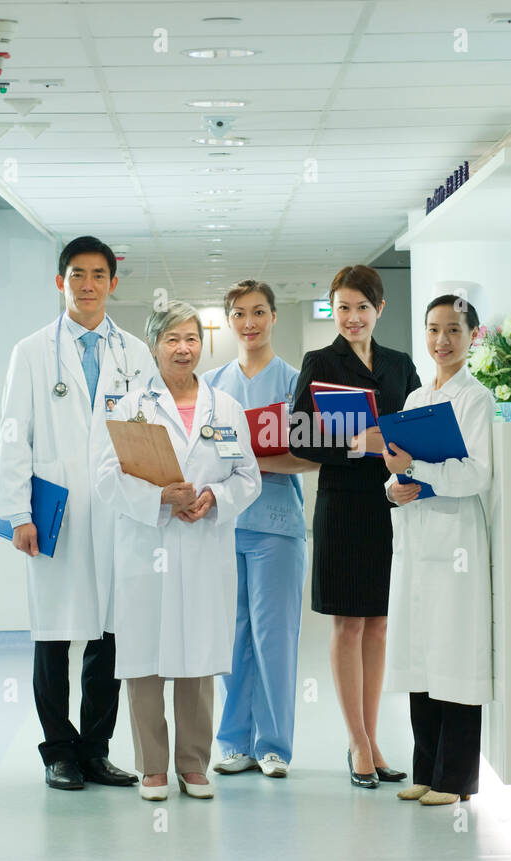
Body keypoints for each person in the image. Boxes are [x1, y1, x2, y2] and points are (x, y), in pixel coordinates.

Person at [0, 235, 154, 791]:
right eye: (77, 275)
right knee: (55, 635)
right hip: (55, 513)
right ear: (61, 282)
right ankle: (58, 751)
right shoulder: (33, 351)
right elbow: (14, 436)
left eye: (98, 275)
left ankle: (95, 749)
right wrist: (17, 513)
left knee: (110, 635)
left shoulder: (135, 354)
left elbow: (151, 435)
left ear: (112, 283)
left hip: (118, 514)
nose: (88, 285)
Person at [94, 301, 261, 800]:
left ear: (202, 345)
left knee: (198, 656)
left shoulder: (224, 408)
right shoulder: (131, 407)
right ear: (153, 347)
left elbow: (247, 477)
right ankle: (151, 768)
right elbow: (106, 479)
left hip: (204, 544)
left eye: (191, 339)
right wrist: (158, 499)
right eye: (172, 339)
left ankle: (193, 764)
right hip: (149, 546)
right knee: (145, 656)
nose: (183, 348)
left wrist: (215, 499)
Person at [290, 265, 420, 788]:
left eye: (361, 307)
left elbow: (417, 423)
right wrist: (354, 444)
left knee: (381, 622)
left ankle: (373, 736)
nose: (351, 317)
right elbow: (299, 436)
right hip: (343, 504)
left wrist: (402, 452)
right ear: (332, 309)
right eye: (342, 307)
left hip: (392, 504)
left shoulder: (400, 365)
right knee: (347, 623)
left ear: (379, 310)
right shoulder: (320, 363)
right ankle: (358, 742)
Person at [202, 280, 318, 779]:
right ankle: (233, 743)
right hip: (223, 526)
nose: (249, 322)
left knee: (275, 637)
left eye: (258, 312)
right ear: (230, 322)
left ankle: (274, 746)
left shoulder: (298, 382)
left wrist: (262, 463)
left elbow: (314, 456)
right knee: (231, 638)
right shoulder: (211, 384)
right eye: (239, 314)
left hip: (277, 526)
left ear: (273, 317)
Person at [383, 295, 494, 805]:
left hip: (455, 547)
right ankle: (425, 771)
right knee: (420, 654)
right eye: (433, 329)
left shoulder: (477, 399)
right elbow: (394, 469)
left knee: (454, 653)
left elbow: (475, 473)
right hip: (418, 535)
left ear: (473, 335)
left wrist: (417, 472)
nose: (441, 340)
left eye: (453, 330)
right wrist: (395, 486)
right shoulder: (414, 399)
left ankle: (456, 779)